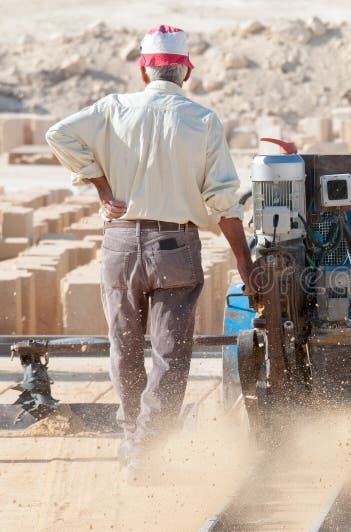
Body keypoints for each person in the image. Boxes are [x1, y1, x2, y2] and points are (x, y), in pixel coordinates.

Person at [45, 25, 254, 479]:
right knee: (170, 354)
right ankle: (147, 446)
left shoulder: (113, 108)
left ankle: (131, 437)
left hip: (120, 243)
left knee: (123, 346)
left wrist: (101, 187)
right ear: (186, 73)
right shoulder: (202, 120)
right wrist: (243, 259)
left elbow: (58, 134)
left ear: (143, 70)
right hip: (174, 247)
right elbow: (223, 200)